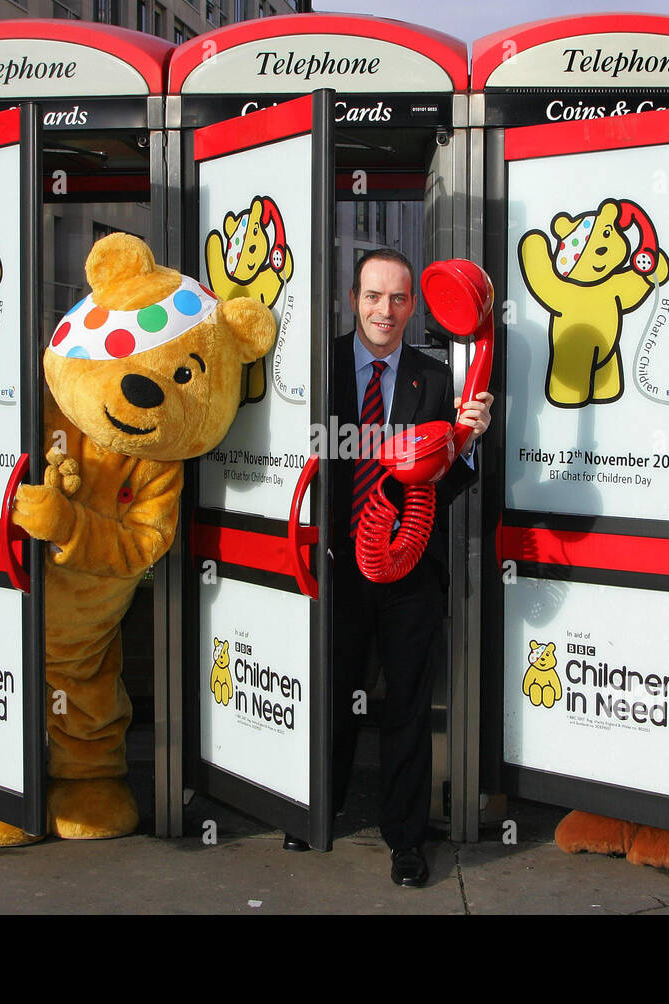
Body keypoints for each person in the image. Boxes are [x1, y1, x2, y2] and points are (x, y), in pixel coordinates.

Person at [282, 248, 492, 888]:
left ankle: (406, 839)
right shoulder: (323, 373)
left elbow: (451, 483)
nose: (386, 309)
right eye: (375, 296)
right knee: (331, 695)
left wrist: (467, 443)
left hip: (411, 572)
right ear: (354, 300)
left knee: (405, 707)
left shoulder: (433, 377)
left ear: (413, 305)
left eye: (399, 298)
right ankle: (322, 806)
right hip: (338, 566)